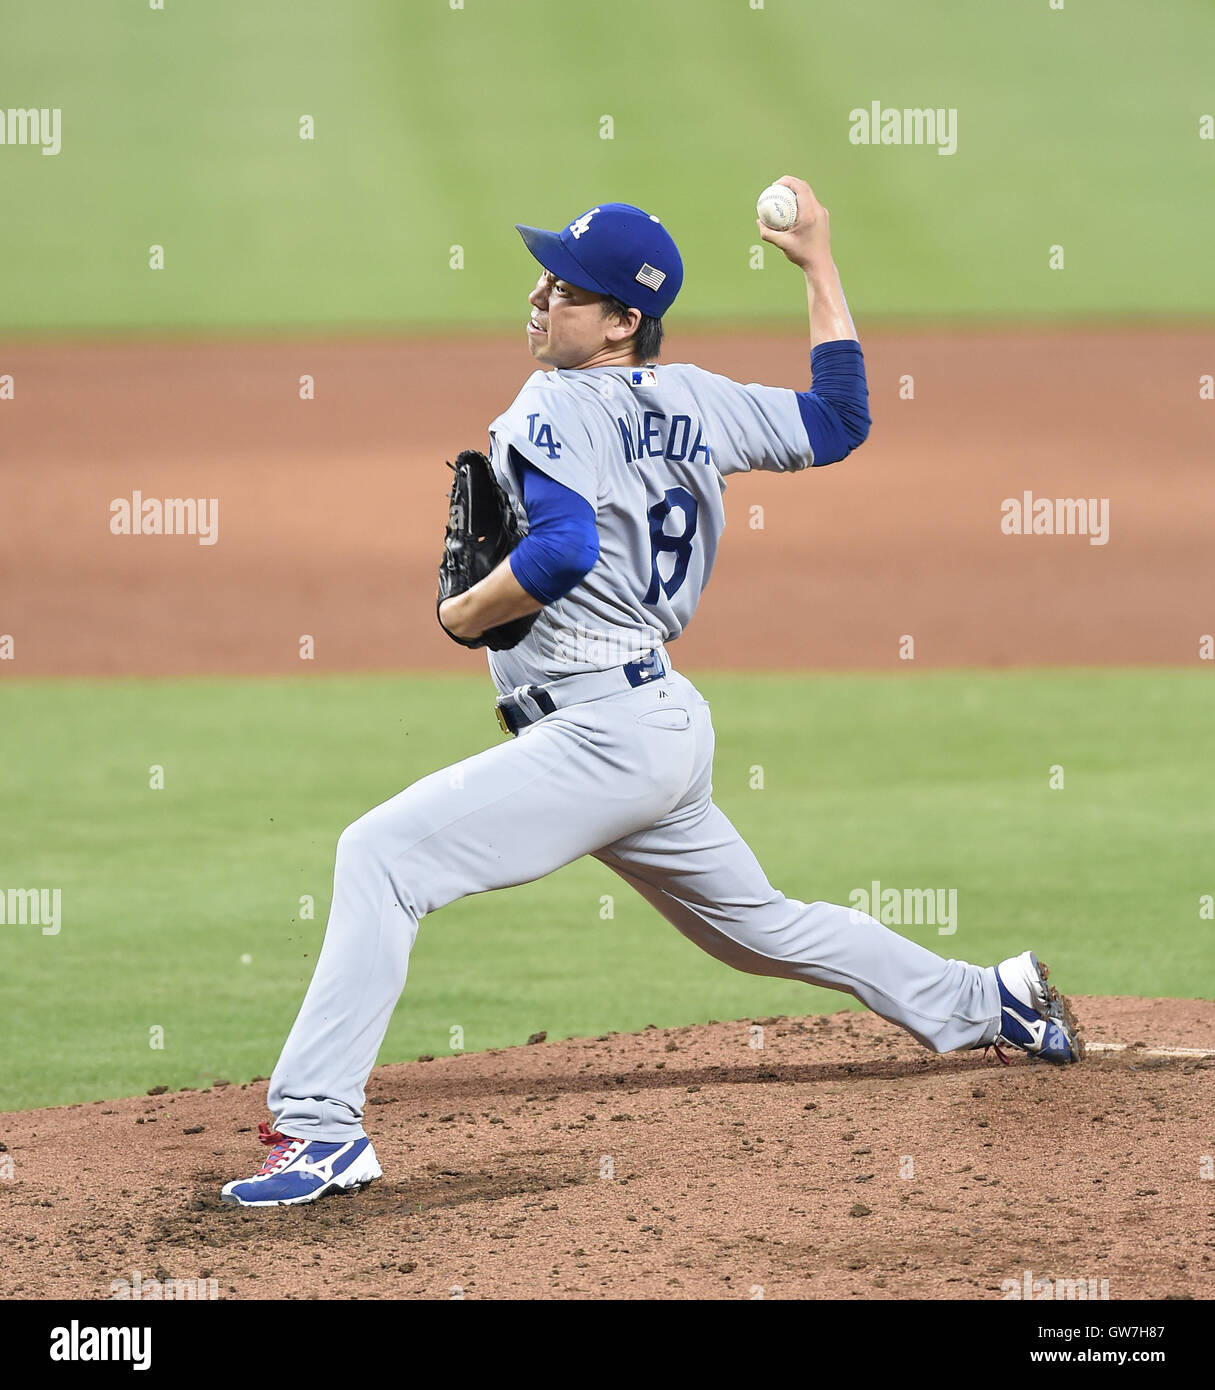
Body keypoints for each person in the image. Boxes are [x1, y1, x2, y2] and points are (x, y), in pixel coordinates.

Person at [221, 177, 1082, 1208]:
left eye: (570, 290)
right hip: (656, 724)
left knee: (382, 858)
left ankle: (321, 1129)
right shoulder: (699, 399)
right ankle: (994, 1000)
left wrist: (463, 615)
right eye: (545, 276)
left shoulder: (548, 405)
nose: (543, 297)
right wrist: (819, 265)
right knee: (764, 926)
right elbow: (842, 419)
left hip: (603, 736)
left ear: (625, 321)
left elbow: (564, 548)